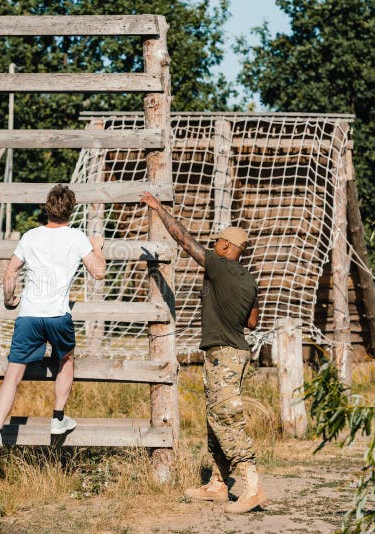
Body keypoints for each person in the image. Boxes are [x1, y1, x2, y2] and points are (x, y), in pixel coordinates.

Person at [140, 191, 266, 514]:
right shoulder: (249, 281)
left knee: (226, 419)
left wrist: (160, 210)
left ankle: (253, 487)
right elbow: (252, 323)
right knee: (214, 419)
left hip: (224, 355)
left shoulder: (220, 266)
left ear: (226, 247)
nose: (212, 248)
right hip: (235, 353)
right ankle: (219, 485)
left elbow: (185, 242)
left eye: (216, 244)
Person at [0, 185, 106, 460]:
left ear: (46, 208)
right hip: (57, 315)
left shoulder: (30, 236)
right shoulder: (77, 237)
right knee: (67, 359)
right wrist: (96, 248)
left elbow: (10, 271)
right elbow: (98, 272)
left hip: (28, 315)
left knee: (13, 373)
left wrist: (9, 299)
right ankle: (58, 416)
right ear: (71, 210)